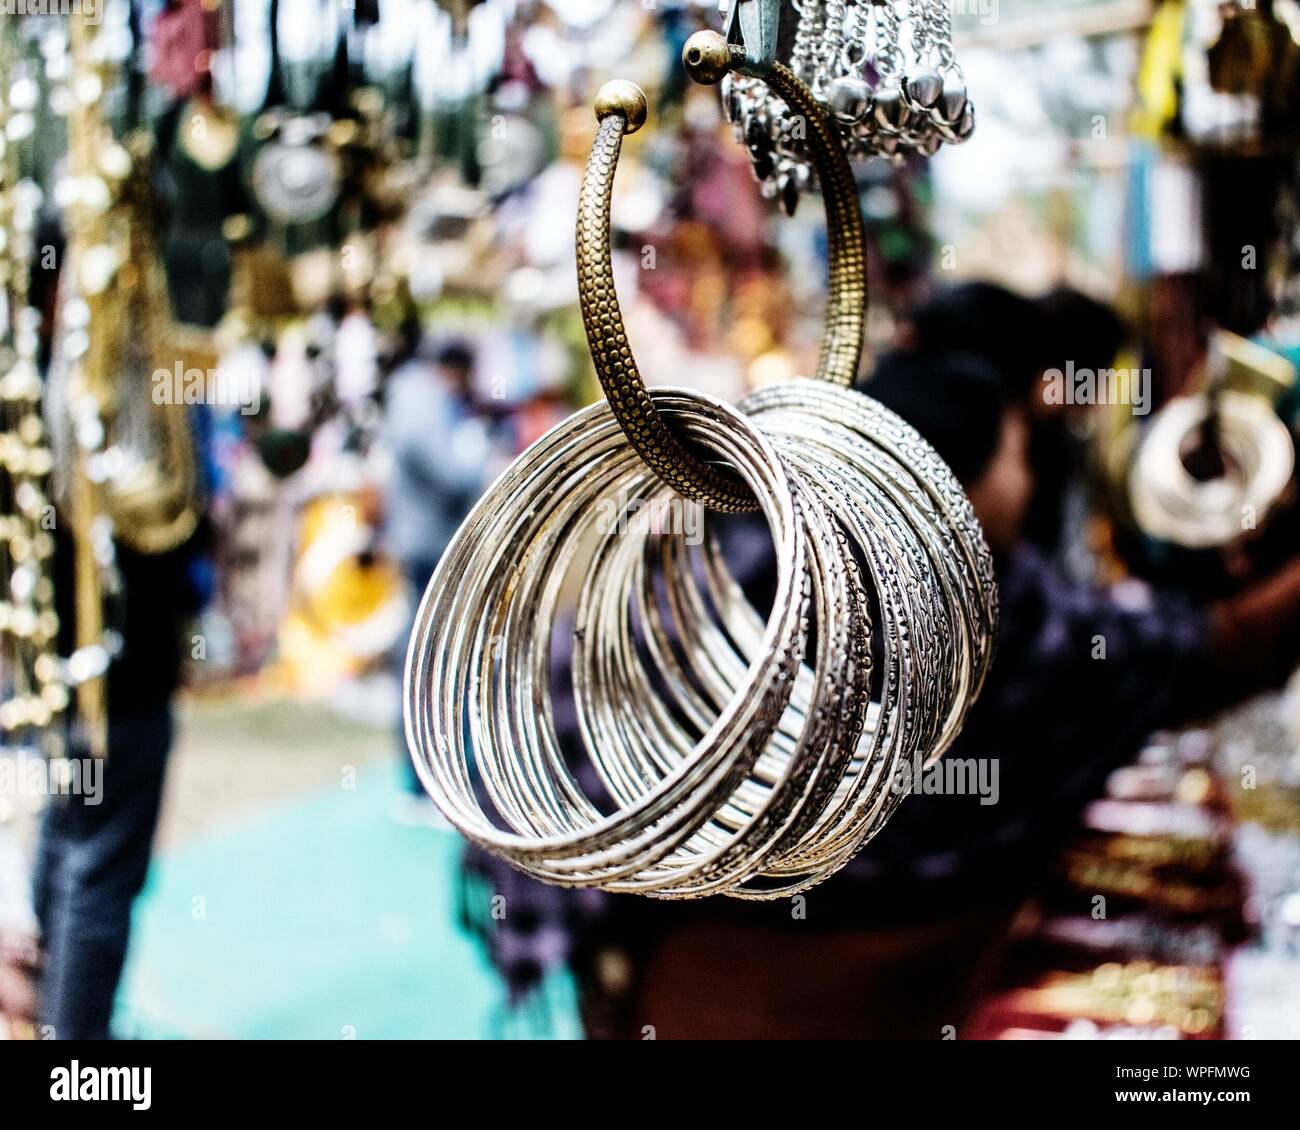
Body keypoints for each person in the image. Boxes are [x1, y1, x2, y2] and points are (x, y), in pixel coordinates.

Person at [463, 350, 1300, 1039]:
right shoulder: (1009, 616)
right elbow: (1207, 654)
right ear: (957, 480)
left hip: (683, 993)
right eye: (1016, 454)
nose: (1028, 479)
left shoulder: (729, 571)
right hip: (875, 998)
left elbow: (567, 748)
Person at [33, 529, 207, 1040]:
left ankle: (53, 1017)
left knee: (73, 845)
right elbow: (173, 528)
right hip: (120, 674)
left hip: (65, 666)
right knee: (97, 874)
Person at [381, 329, 491, 801]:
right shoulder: (422, 401)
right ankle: (433, 775)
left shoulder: (410, 394)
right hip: (431, 548)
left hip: (421, 543)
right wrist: (475, 463)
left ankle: (430, 773)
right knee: (437, 662)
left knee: (430, 658)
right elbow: (446, 470)